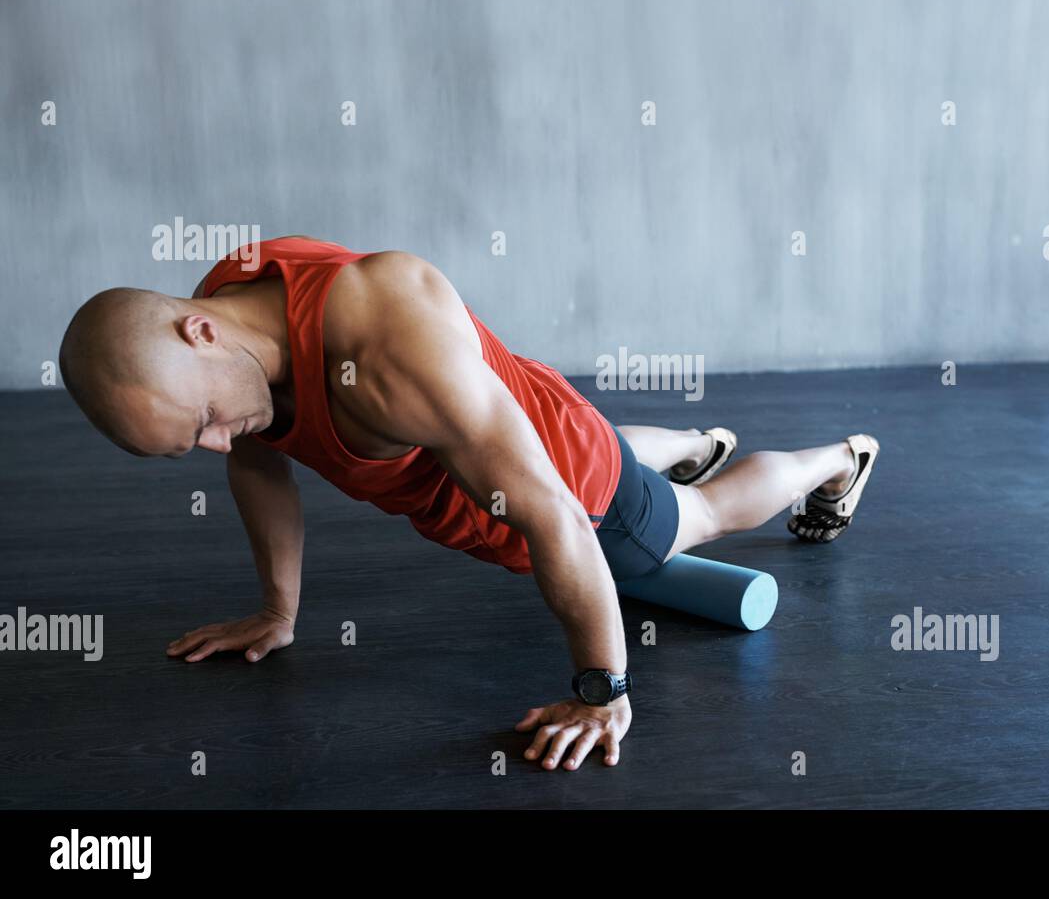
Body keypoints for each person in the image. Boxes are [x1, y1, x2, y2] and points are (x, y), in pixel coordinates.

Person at [58, 237, 879, 772]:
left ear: (197, 333)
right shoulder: (223, 311)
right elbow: (259, 462)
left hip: (574, 493)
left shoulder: (386, 349)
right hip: (527, 426)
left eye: (201, 423)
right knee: (609, 450)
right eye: (184, 445)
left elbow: (553, 510)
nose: (213, 444)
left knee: (699, 517)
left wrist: (601, 689)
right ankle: (694, 439)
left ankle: (837, 459)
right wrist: (278, 608)